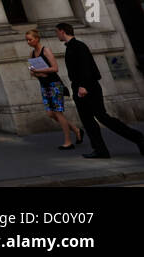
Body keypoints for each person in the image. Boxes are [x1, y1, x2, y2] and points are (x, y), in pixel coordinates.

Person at [55, 22, 144, 159]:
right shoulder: (72, 47)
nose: (56, 35)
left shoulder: (79, 46)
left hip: (87, 88)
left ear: (62, 31)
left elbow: (86, 67)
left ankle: (138, 137)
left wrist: (83, 86)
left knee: (102, 117)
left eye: (57, 32)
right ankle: (100, 149)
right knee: (88, 121)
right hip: (80, 87)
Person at [24, 29, 82, 150]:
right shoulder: (31, 54)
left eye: (30, 39)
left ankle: (68, 141)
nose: (28, 42)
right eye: (27, 40)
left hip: (54, 84)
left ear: (37, 38)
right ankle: (76, 130)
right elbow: (31, 71)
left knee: (57, 112)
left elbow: (55, 68)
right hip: (44, 85)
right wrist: (36, 73)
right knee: (50, 114)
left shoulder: (46, 50)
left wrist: (39, 71)